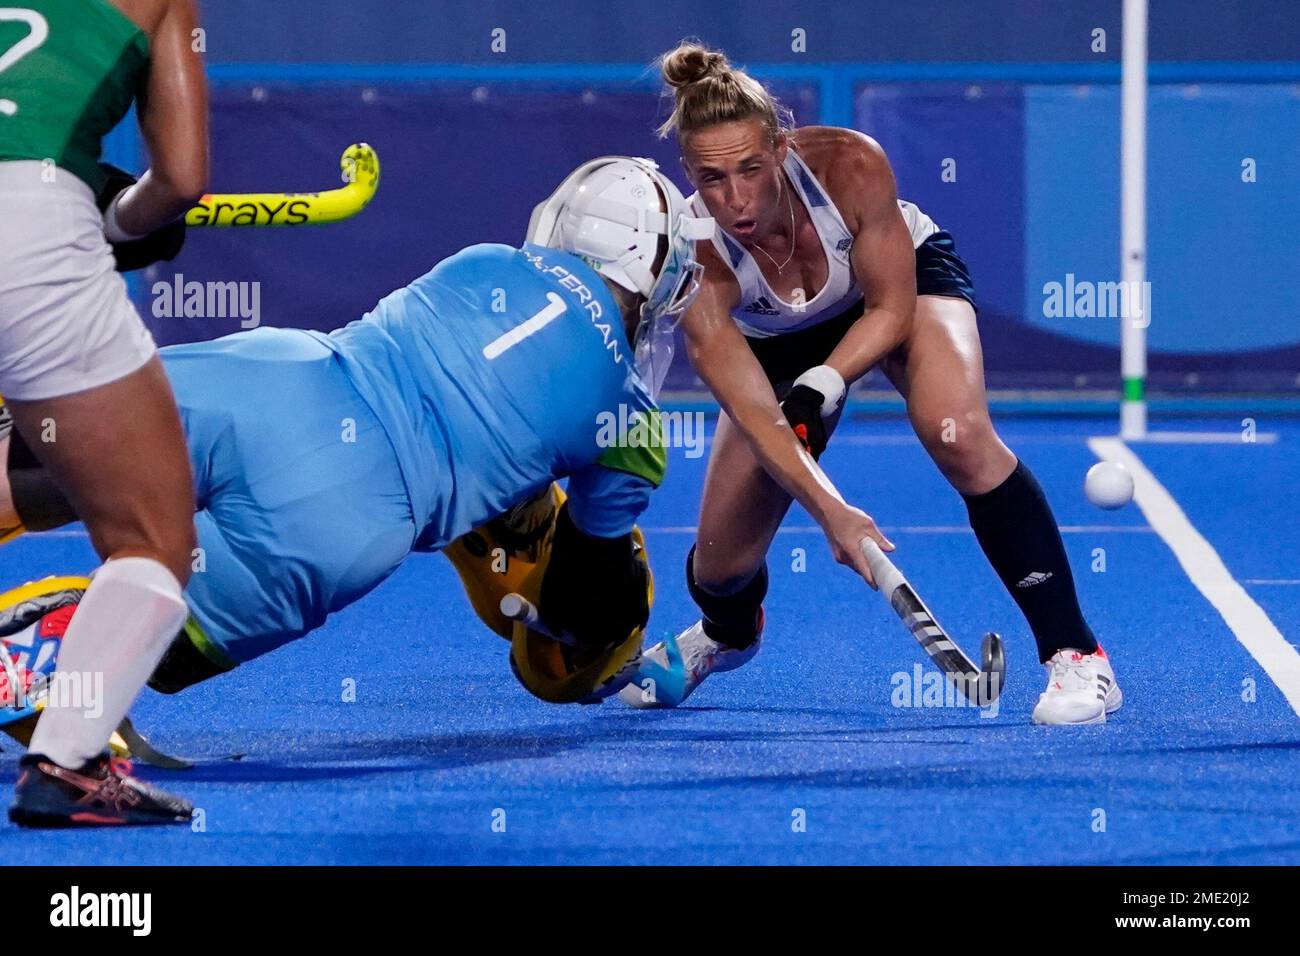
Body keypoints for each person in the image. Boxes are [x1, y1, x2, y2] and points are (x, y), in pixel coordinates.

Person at [0, 157, 714, 812]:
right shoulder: (635, 420)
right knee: (155, 638)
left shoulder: (487, 261)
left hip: (283, 373)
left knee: (50, 450)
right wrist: (533, 552)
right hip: (350, 510)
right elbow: (580, 611)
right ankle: (43, 651)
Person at [623, 43, 1121, 725]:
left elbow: (889, 309)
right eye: (712, 179)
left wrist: (824, 382)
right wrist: (833, 512)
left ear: (781, 147)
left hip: (894, 289)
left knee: (960, 433)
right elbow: (753, 410)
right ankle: (726, 635)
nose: (736, 199)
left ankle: (1077, 656)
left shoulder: (851, 165)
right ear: (689, 173)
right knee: (719, 567)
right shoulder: (695, 256)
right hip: (776, 347)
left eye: (750, 168)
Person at [0, 0, 210, 826]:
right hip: (31, 231)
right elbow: (182, 182)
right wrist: (119, 217)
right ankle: (69, 765)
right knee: (153, 537)